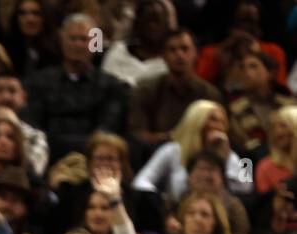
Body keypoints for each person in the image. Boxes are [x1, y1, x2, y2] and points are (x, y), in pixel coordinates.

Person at [22, 13, 128, 160]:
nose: (78, 44)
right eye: (73, 39)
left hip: (94, 155)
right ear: (62, 41)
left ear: (94, 44)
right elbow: (33, 125)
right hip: (46, 153)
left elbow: (107, 127)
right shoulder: (38, 82)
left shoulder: (111, 85)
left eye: (84, 39)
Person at [127, 28, 222, 161]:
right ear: (163, 56)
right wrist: (172, 138)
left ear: (196, 53)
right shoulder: (146, 89)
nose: (179, 55)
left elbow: (216, 132)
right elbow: (137, 134)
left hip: (198, 156)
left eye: (185, 49)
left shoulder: (210, 94)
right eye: (172, 50)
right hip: (154, 154)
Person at [132, 100, 247, 203]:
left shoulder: (231, 155)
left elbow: (247, 187)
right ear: (196, 120)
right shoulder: (172, 150)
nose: (219, 126)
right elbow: (140, 182)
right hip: (177, 211)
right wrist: (162, 202)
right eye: (214, 120)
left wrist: (225, 159)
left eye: (223, 122)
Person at [226, 48, 296, 158]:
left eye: (253, 66)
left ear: (270, 73)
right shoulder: (236, 109)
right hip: (253, 162)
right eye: (242, 68)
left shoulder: (289, 105)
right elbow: (241, 146)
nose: (246, 72)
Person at [99, 0, 173, 88]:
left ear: (167, 25)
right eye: (148, 20)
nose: (152, 27)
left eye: (157, 20)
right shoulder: (117, 52)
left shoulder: (171, 62)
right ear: (137, 24)